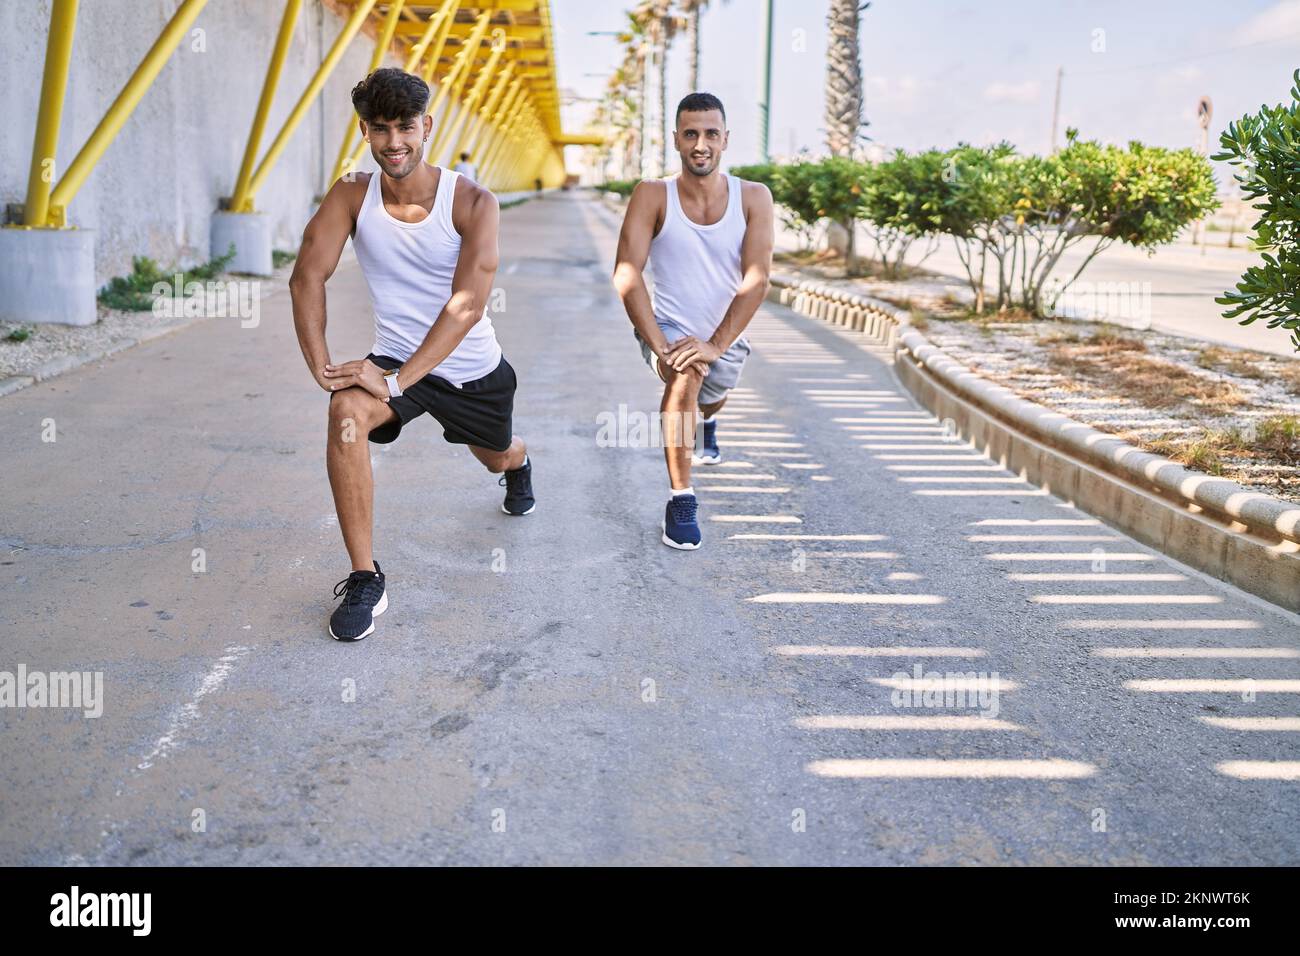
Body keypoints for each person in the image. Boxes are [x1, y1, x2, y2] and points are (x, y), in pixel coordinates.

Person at [290, 68, 534, 642]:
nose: (394, 142)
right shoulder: (353, 192)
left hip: (470, 368)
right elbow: (307, 276)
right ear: (365, 131)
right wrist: (325, 371)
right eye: (380, 130)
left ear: (427, 126)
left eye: (405, 127)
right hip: (398, 361)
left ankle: (521, 463)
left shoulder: (473, 201)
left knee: (496, 456)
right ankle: (364, 574)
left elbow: (467, 305)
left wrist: (397, 380)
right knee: (345, 415)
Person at [612, 92, 773, 550]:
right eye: (690, 134)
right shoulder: (652, 194)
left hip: (725, 336)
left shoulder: (754, 197)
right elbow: (627, 272)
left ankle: (708, 421)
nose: (700, 144)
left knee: (710, 398)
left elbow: (758, 279)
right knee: (687, 375)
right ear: (677, 140)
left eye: (710, 134)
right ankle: (681, 499)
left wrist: (717, 344)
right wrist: (661, 343)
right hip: (667, 329)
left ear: (725, 140)